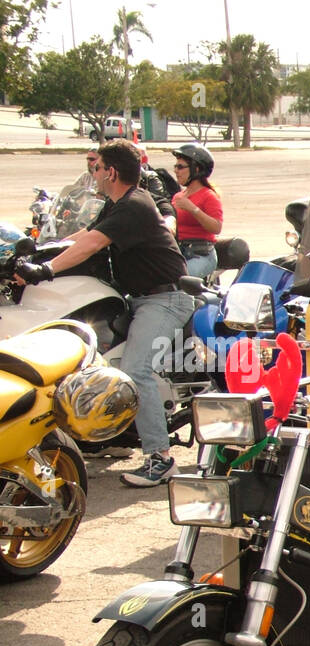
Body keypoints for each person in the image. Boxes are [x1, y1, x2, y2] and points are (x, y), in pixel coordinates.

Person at [14, 140, 192, 487]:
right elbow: (83, 234)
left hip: (165, 299)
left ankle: (160, 458)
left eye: (96, 168)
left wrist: (45, 270)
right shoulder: (117, 204)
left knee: (135, 371)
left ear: (111, 172)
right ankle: (111, 435)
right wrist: (36, 252)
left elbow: (92, 245)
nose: (92, 174)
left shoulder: (135, 205)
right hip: (137, 298)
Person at [171, 143, 223, 277]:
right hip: (178, 252)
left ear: (197, 169)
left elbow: (216, 227)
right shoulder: (178, 196)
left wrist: (193, 209)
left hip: (201, 255)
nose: (176, 171)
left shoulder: (208, 196)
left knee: (179, 278)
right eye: (175, 166)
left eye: (180, 167)